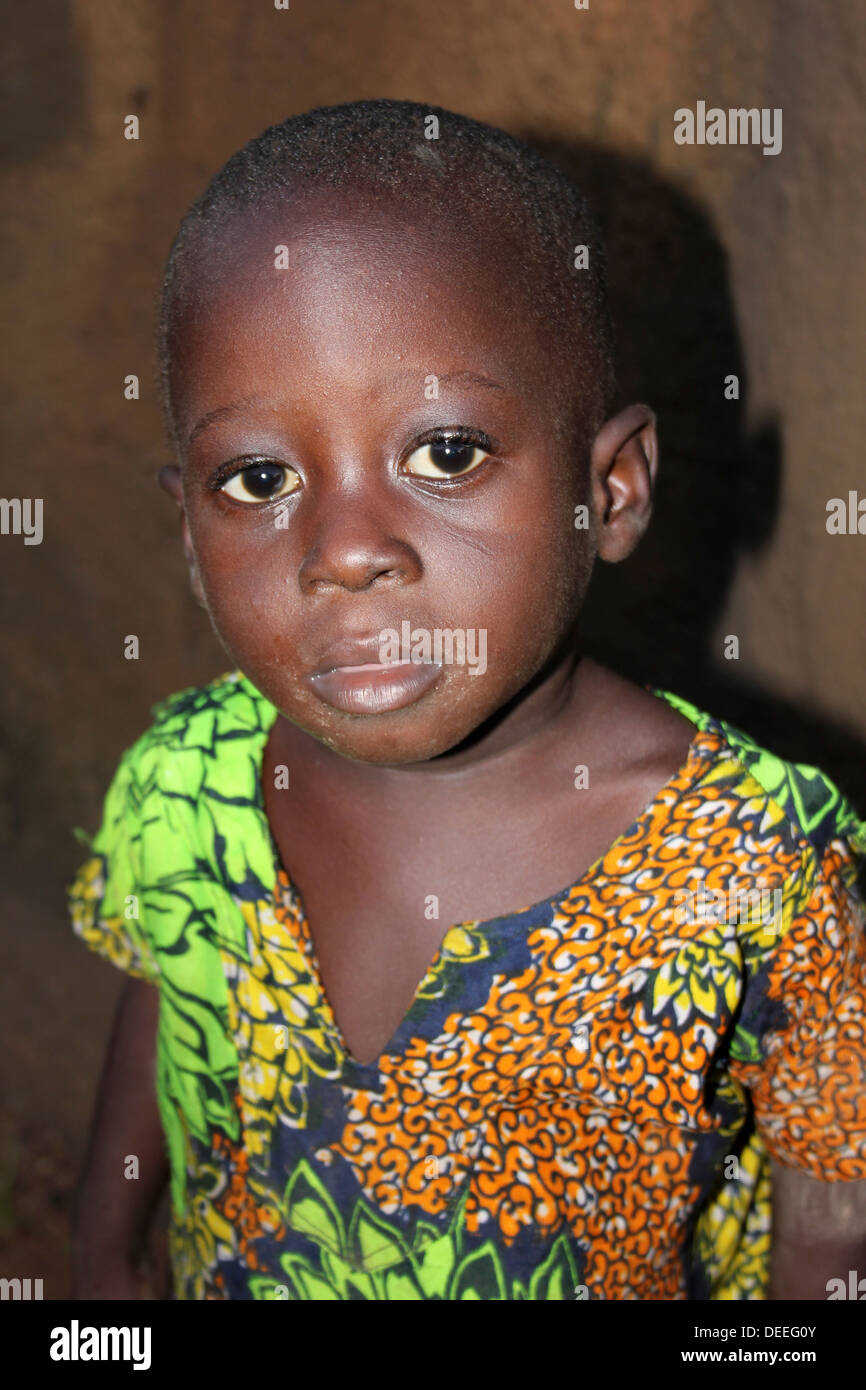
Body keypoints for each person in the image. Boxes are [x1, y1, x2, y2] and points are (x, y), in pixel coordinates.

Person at [68, 99, 866, 1301]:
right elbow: (167, 1011)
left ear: (613, 490)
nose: (342, 549)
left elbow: (829, 1222)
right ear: (188, 530)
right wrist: (101, 1265)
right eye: (260, 476)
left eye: (443, 453)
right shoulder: (185, 781)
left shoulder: (756, 869)